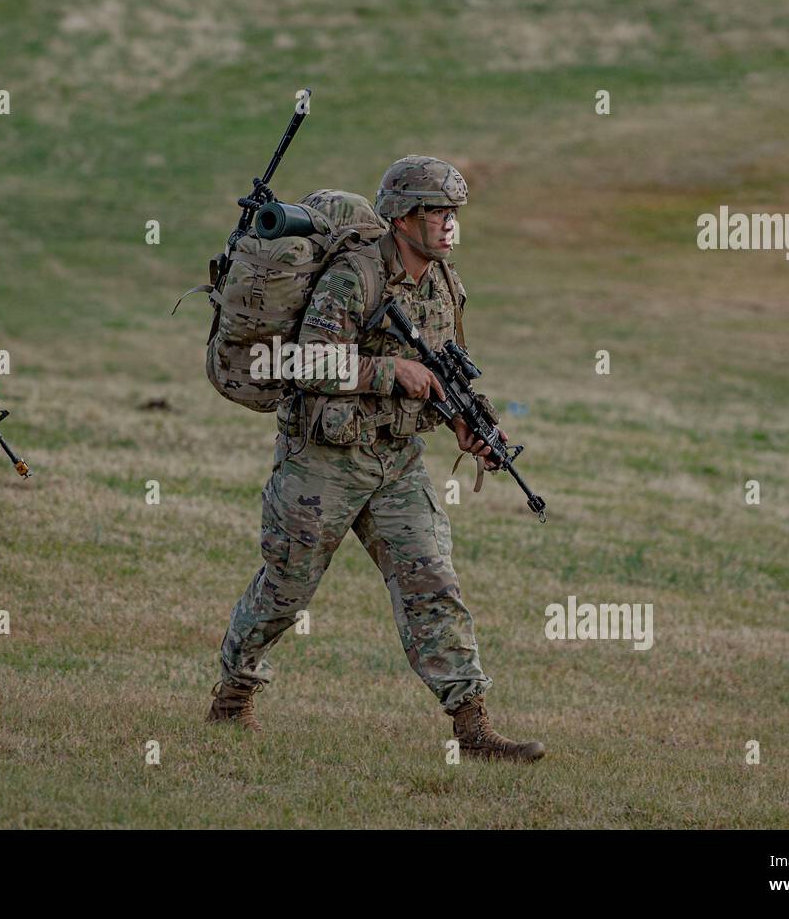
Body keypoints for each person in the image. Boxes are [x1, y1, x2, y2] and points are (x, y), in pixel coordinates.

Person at [208, 159, 545, 761]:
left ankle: (472, 728)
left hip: (397, 462)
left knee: (433, 582)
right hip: (325, 460)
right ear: (401, 217)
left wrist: (469, 420)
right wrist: (394, 371)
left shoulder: (443, 281)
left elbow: (444, 369)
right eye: (435, 212)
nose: (448, 225)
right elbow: (305, 364)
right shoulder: (353, 277)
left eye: (452, 214)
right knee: (285, 592)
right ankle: (233, 694)